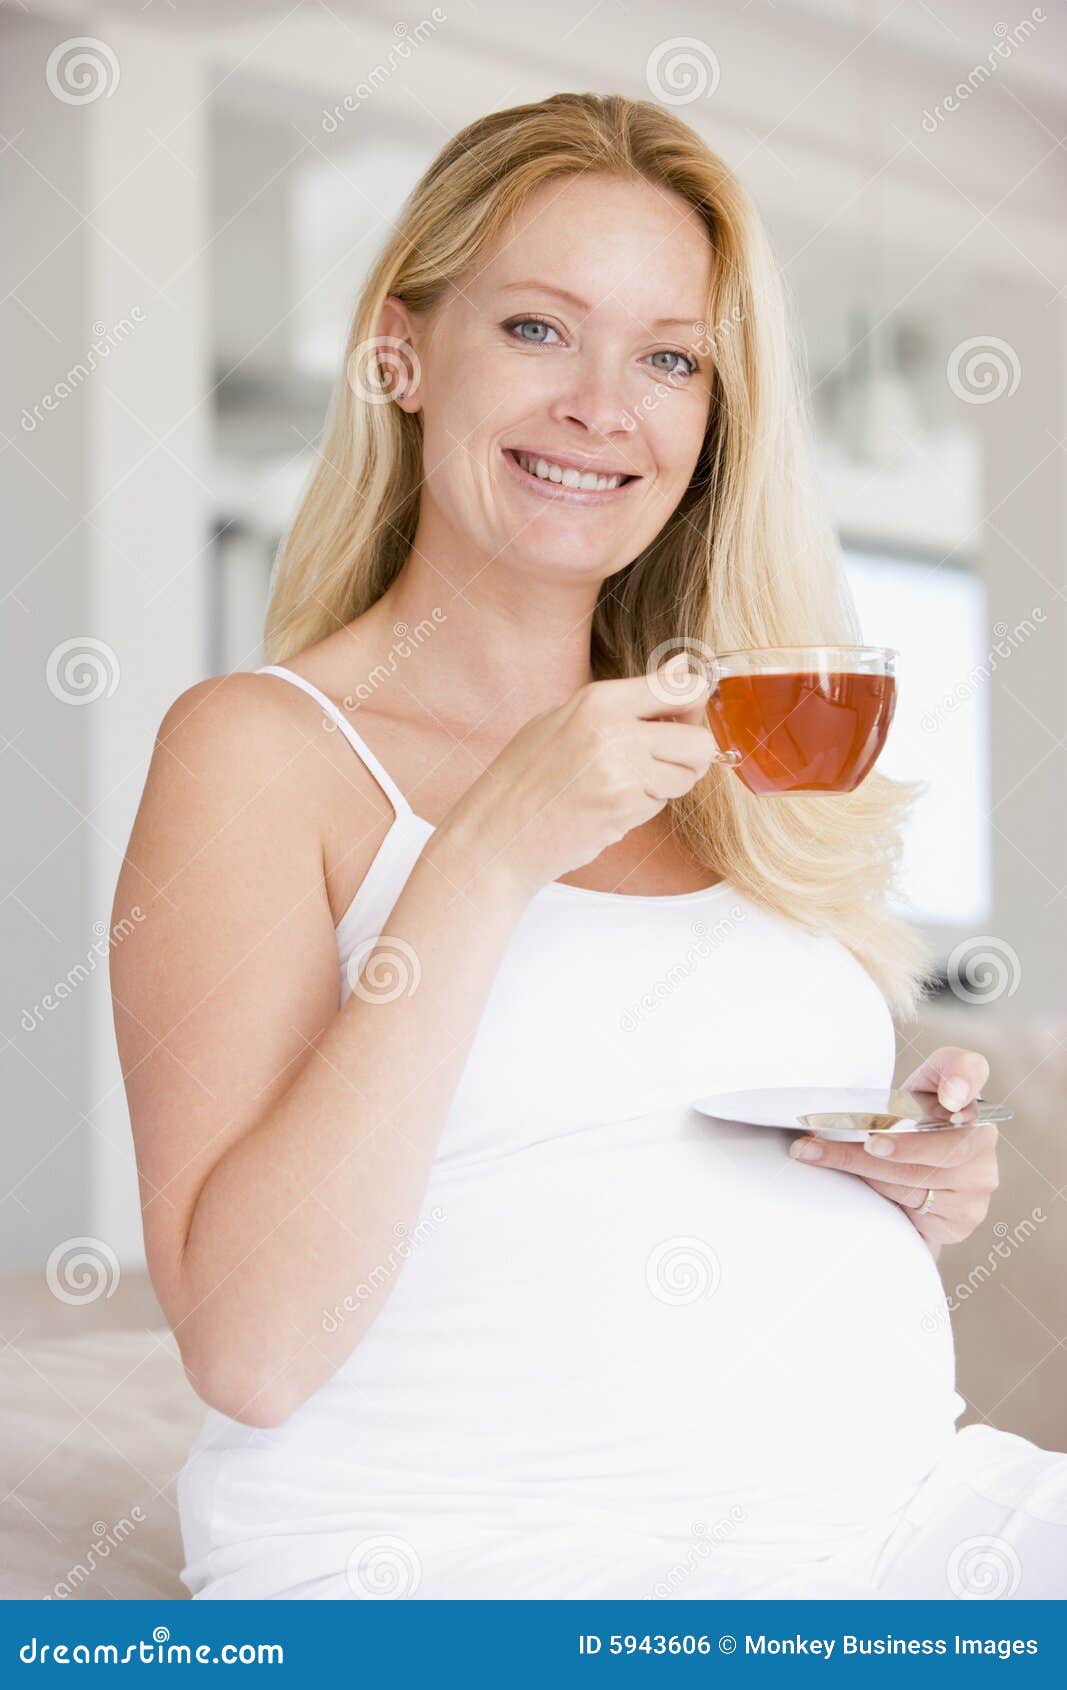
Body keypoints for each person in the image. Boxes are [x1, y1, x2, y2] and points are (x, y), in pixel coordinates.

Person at [111, 93, 1064, 1600]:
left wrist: (902, 1172)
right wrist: (487, 852)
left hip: (897, 1518)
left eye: (670, 356)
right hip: (482, 1564)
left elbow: (613, 1171)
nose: (603, 405)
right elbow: (252, 1342)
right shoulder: (260, 749)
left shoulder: (730, 755)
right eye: (541, 330)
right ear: (405, 349)